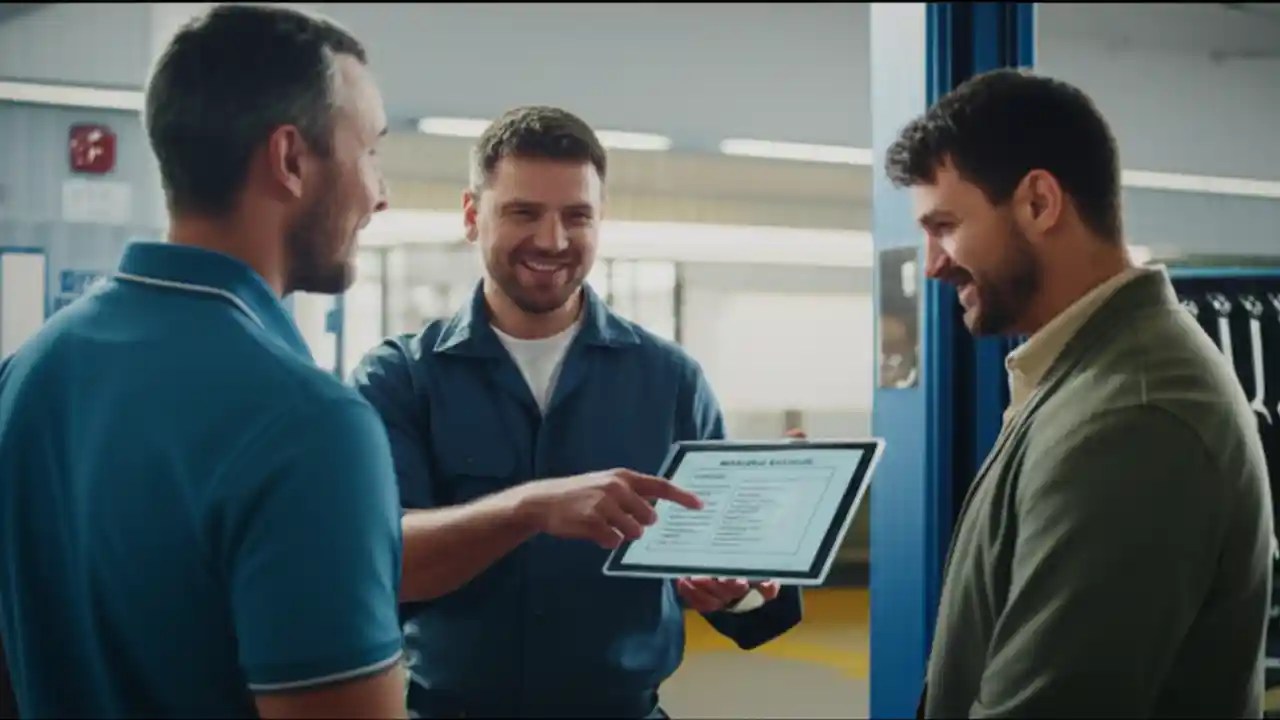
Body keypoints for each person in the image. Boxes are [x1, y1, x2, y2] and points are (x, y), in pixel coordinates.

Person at [0, 5, 407, 718]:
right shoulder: (312, 426)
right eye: (369, 151)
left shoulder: (30, 372)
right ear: (289, 160)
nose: (380, 193)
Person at [350, 105, 804, 718]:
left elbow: (753, 605)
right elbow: (380, 565)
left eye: (576, 216)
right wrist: (529, 509)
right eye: (523, 213)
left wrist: (741, 588)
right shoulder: (400, 379)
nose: (552, 240)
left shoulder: (670, 380)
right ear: (470, 215)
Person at [885, 67, 1273, 718]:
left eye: (945, 225)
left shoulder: (1133, 418)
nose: (932, 264)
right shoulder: (1086, 373)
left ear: (1039, 202)